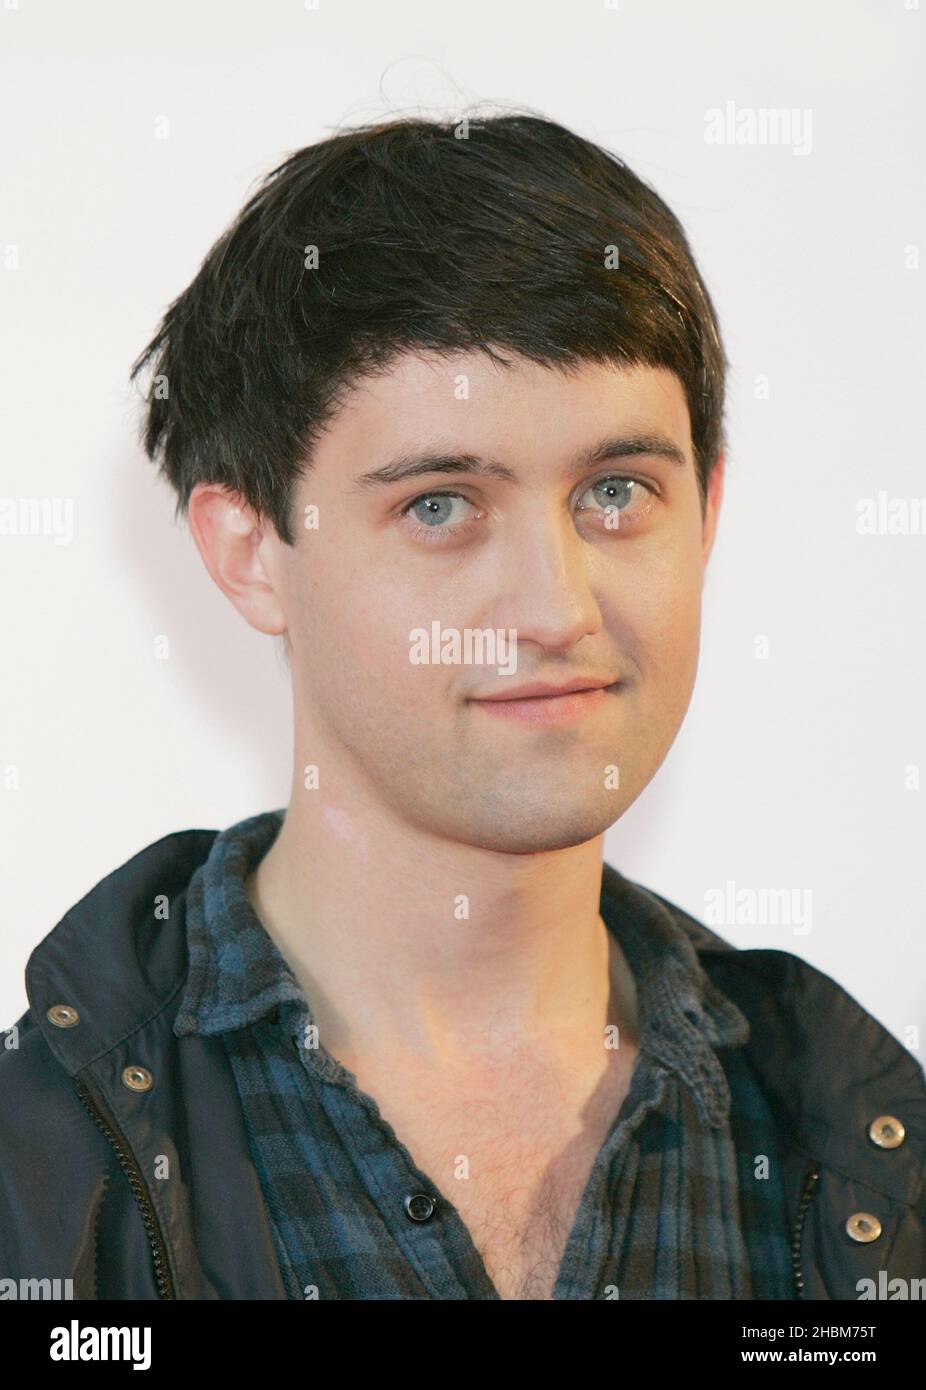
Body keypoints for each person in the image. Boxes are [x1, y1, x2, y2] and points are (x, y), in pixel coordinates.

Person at [2, 112, 923, 1302]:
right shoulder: (36, 1180)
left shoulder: (871, 1164)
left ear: (707, 514)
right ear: (249, 554)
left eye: (613, 491)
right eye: (439, 504)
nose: (554, 607)